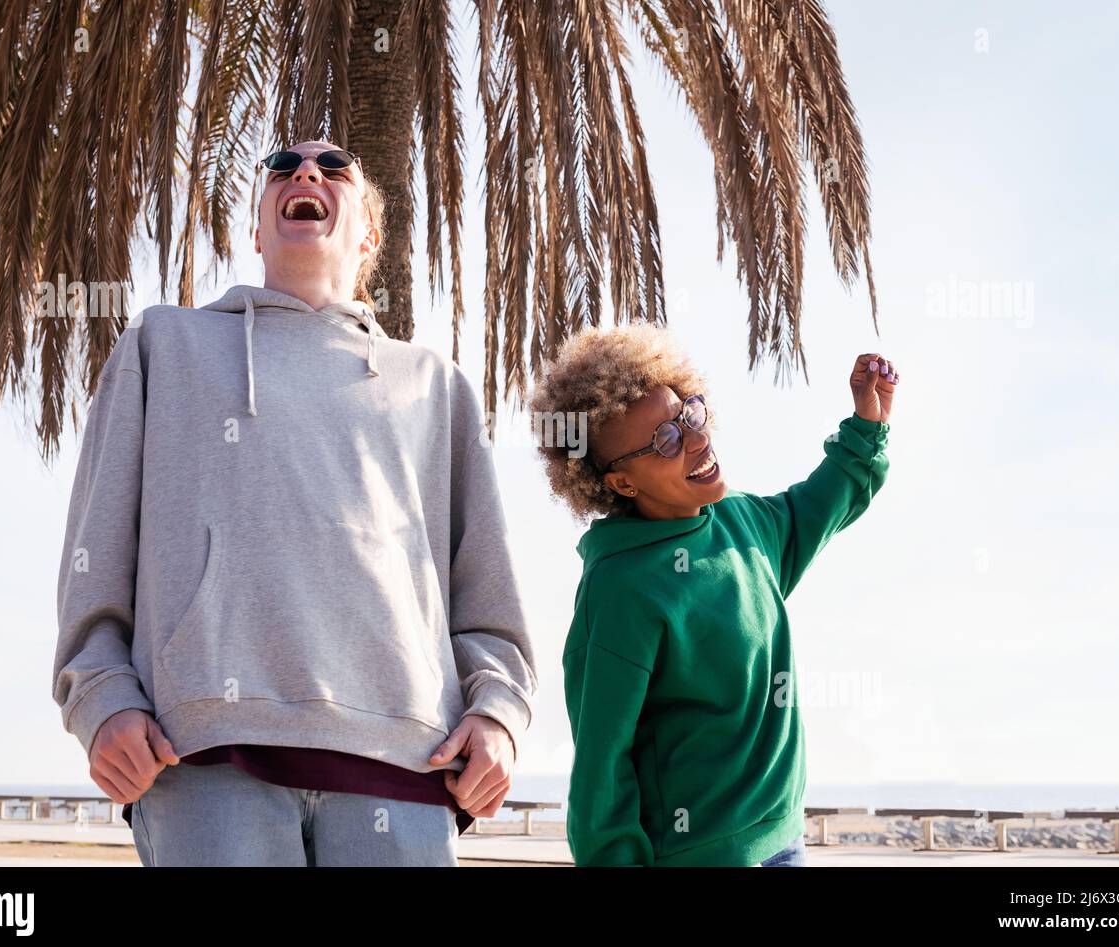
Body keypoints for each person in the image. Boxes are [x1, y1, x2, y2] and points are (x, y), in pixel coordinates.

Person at [52, 141, 537, 866]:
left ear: (370, 235)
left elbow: (485, 593)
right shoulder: (162, 345)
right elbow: (95, 556)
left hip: (405, 764)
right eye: (283, 168)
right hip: (204, 759)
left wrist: (498, 715)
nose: (304, 174)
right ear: (256, 231)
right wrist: (102, 701)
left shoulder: (436, 385)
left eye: (332, 168)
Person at [529, 324, 896, 866]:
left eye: (688, 414)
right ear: (622, 484)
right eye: (665, 441)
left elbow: (826, 499)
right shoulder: (621, 589)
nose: (697, 440)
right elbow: (602, 772)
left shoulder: (744, 523)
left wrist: (867, 423)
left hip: (785, 841)